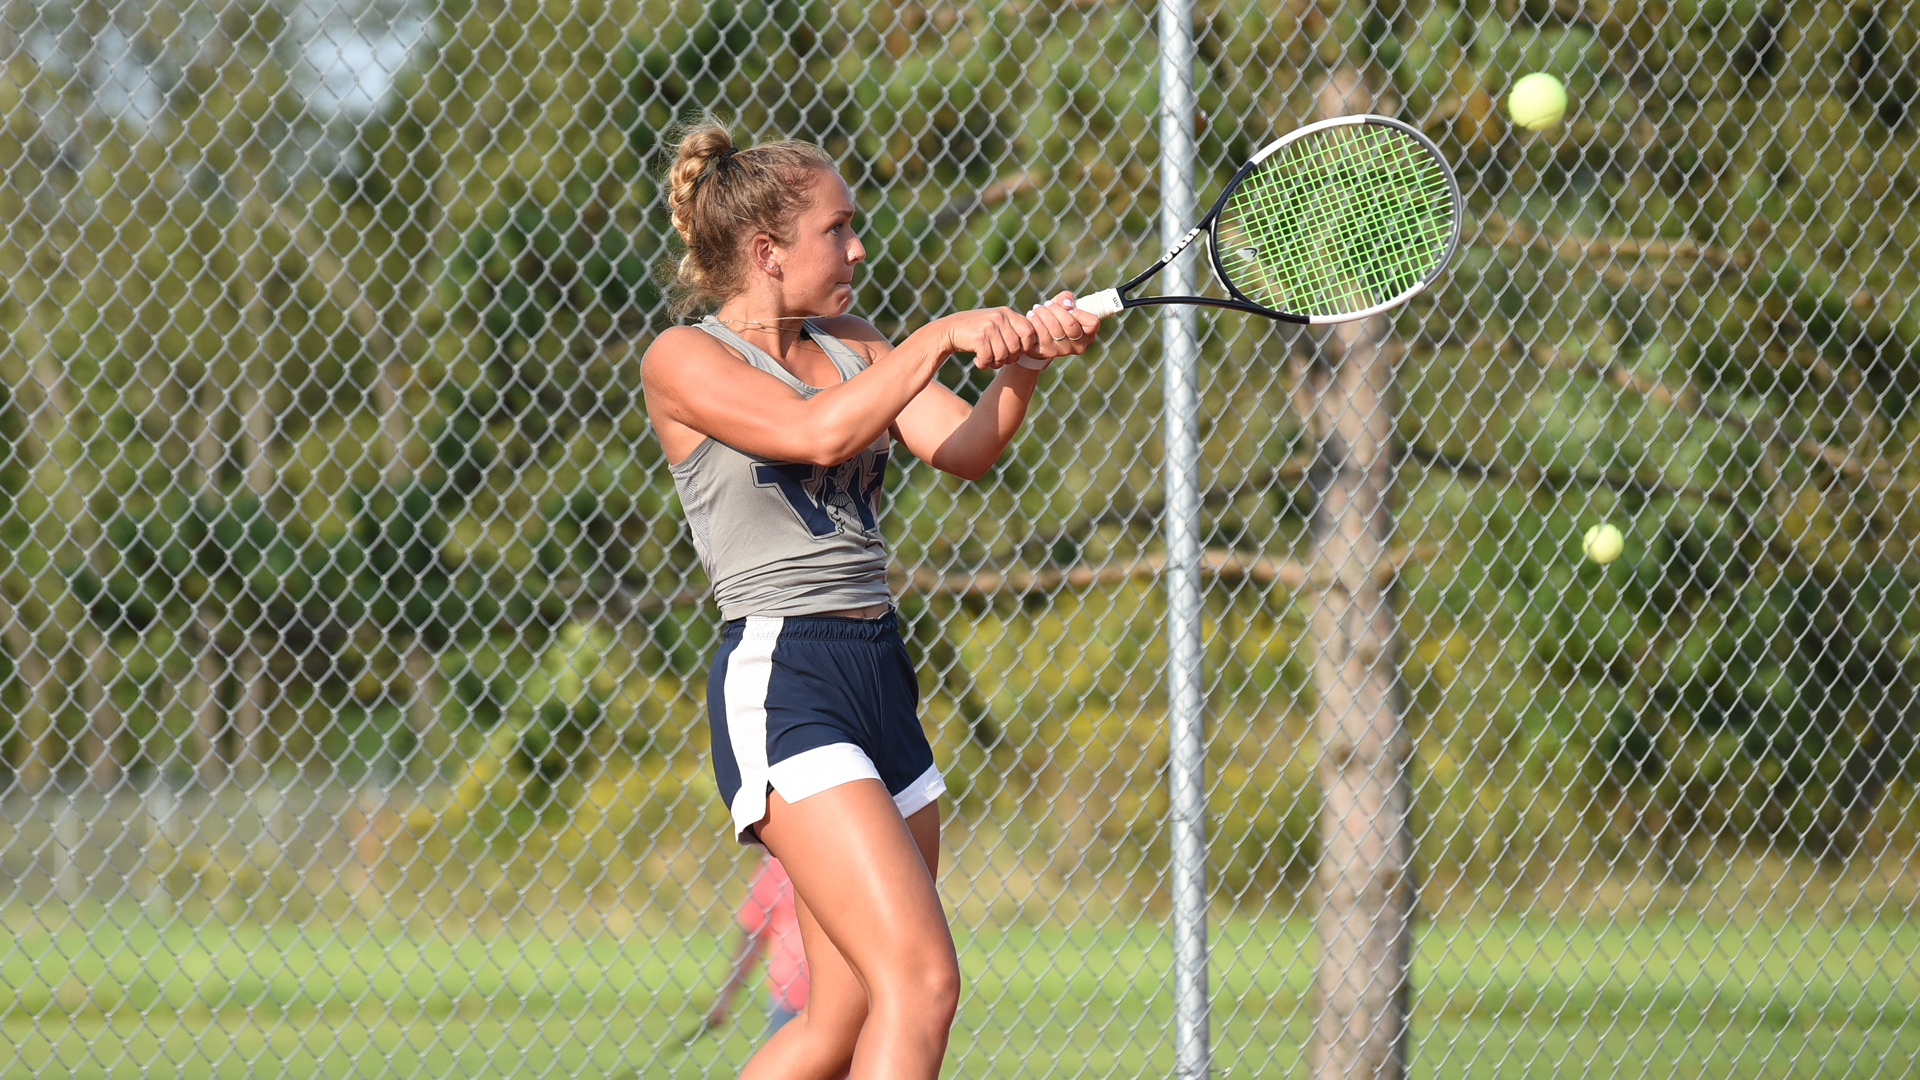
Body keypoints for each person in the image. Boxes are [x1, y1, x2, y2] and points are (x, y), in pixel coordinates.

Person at [640, 119, 1100, 1080]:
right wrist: (943, 333)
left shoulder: (854, 343)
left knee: (838, 1023)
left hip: (878, 674)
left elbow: (966, 450)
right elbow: (815, 436)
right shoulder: (684, 359)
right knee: (923, 983)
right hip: (786, 676)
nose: (857, 247)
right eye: (837, 229)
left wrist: (1019, 362)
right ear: (766, 253)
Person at [705, 855, 810, 1040]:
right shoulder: (774, 864)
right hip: (787, 1000)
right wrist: (726, 995)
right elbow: (753, 937)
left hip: (846, 998)